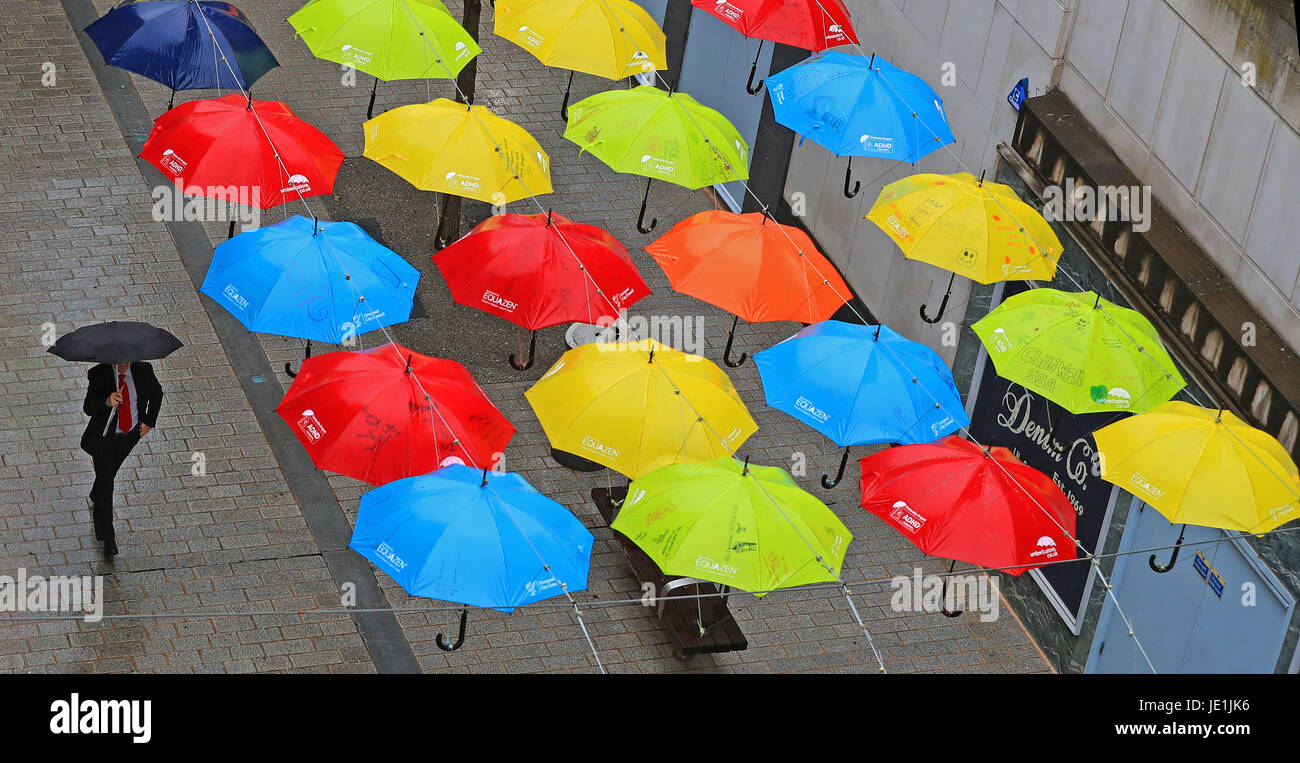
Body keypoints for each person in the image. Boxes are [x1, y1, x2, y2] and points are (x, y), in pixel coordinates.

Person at [81, 361, 163, 557]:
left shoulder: (144, 370)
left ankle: (95, 492)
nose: (124, 361)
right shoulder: (99, 373)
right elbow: (88, 407)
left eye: (128, 357)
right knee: (107, 483)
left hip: (130, 436)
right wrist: (107, 401)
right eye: (120, 358)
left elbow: (157, 393)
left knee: (106, 476)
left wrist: (149, 422)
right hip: (105, 438)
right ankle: (107, 536)